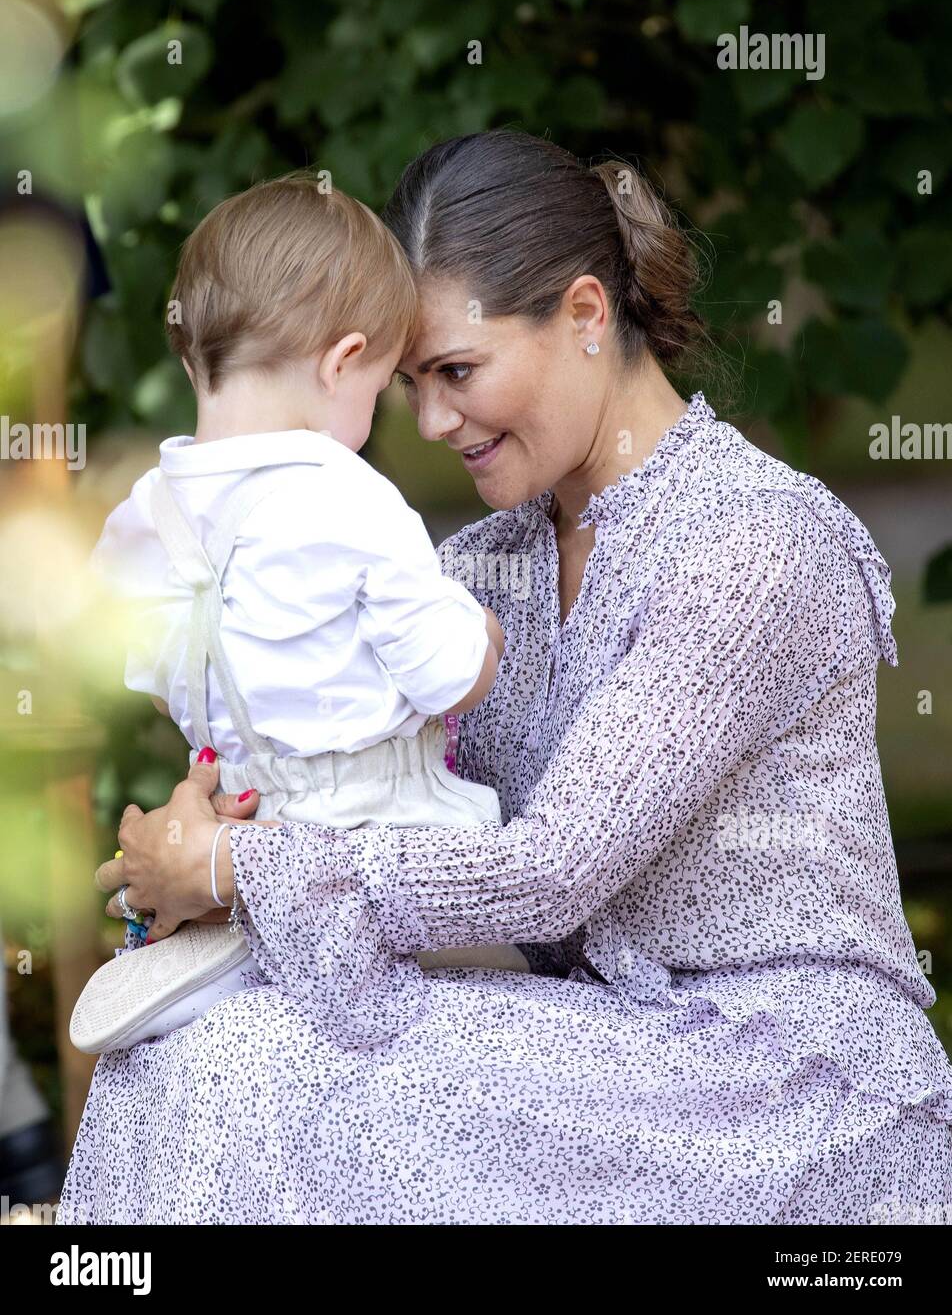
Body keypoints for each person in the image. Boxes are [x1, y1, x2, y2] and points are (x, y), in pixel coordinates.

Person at [58, 130, 952, 1224]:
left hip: (784, 1081)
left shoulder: (748, 545)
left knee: (247, 1069)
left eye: (458, 372)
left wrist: (240, 867)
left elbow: (551, 873)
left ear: (584, 315)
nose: (432, 423)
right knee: (182, 1049)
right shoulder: (478, 565)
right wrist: (223, 805)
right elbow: (374, 799)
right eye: (409, 384)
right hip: (596, 1045)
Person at [70, 175, 527, 1057]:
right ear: (340, 361)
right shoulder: (351, 499)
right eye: (385, 383)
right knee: (512, 1019)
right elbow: (446, 677)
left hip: (241, 835)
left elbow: (158, 683)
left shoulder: (138, 517)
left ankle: (225, 962)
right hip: (381, 848)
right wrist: (484, 636)